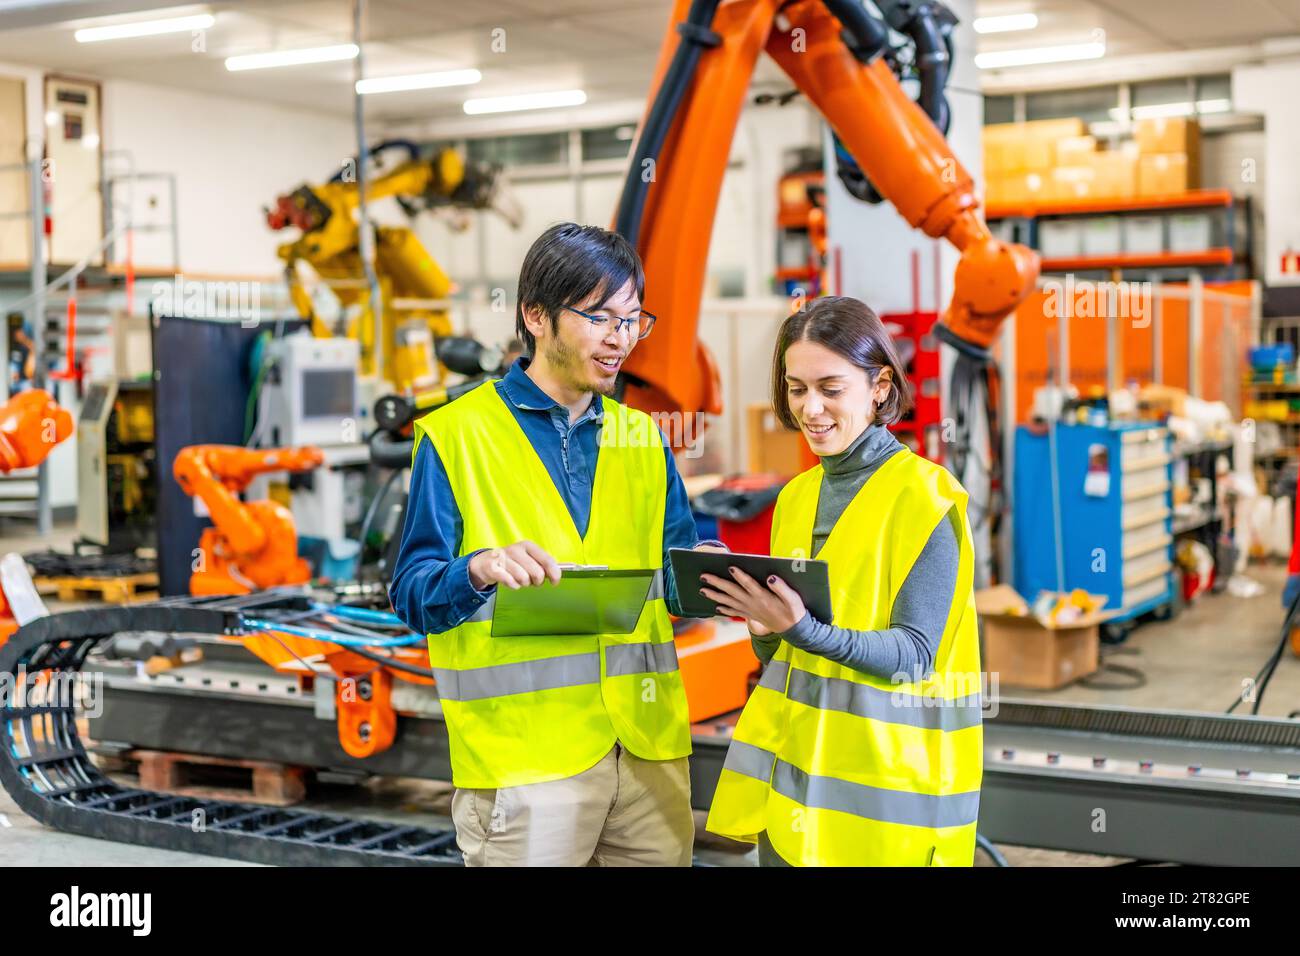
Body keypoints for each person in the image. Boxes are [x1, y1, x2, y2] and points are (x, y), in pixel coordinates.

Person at [390, 222, 723, 867]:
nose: (619, 339)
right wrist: (478, 569)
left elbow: (678, 584)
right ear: (536, 316)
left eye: (632, 320)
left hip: (648, 752)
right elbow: (411, 593)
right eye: (600, 318)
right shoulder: (456, 437)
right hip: (525, 763)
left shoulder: (644, 439)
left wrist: (729, 580)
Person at [701, 296, 983, 866]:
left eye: (831, 388)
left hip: (886, 805)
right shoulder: (795, 499)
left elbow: (914, 655)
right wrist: (764, 628)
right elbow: (787, 653)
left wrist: (801, 628)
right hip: (796, 794)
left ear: (880, 386)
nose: (811, 409)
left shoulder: (924, 500)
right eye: (796, 388)